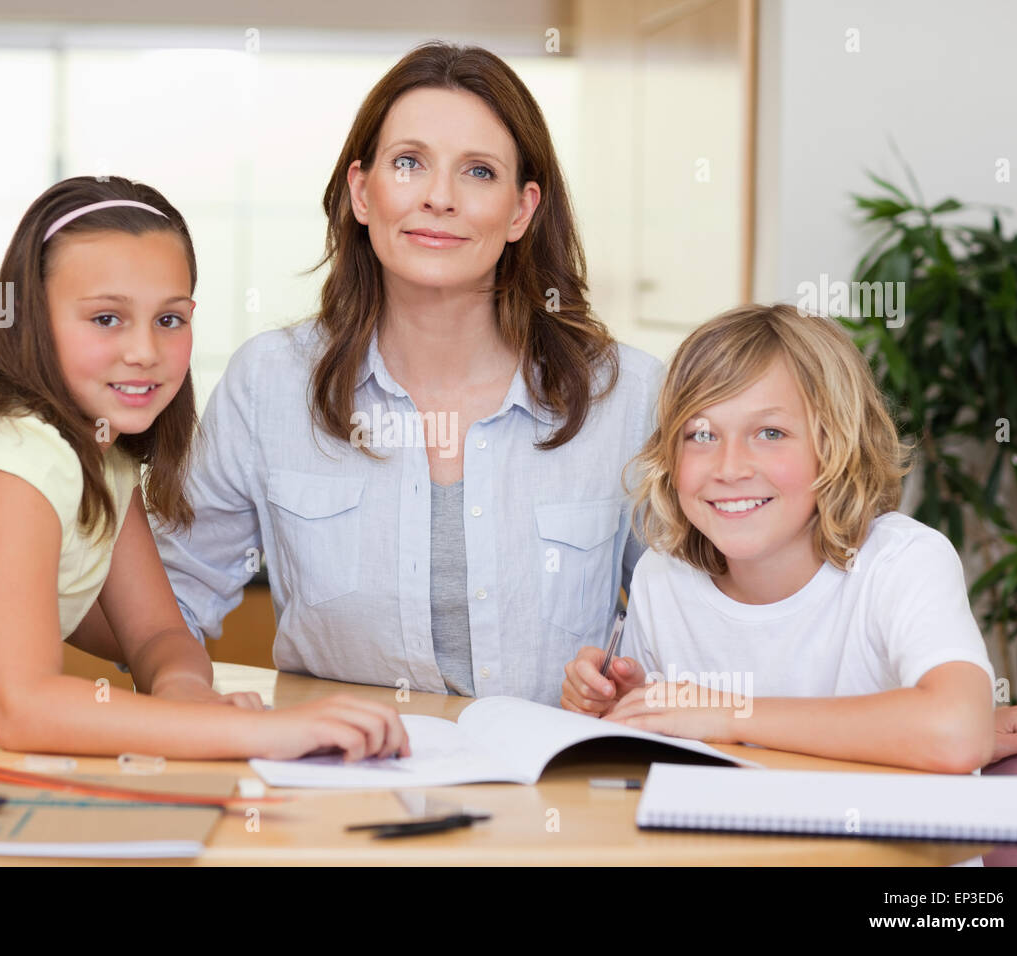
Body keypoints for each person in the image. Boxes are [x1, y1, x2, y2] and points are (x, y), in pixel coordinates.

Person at [0, 176, 408, 763]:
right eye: (106, 318)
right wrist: (259, 732)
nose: (145, 351)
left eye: (170, 318)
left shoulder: (103, 452)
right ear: (34, 321)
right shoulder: (19, 459)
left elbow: (154, 629)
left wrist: (183, 690)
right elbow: (28, 708)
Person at [148, 42, 663, 705]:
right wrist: (188, 698)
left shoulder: (630, 394)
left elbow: (693, 615)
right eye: (410, 163)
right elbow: (169, 600)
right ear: (363, 192)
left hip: (552, 790)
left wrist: (629, 680)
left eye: (478, 171)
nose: (439, 198)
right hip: (333, 783)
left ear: (521, 210)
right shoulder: (267, 383)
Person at [560, 304, 996, 773]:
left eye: (770, 432)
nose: (729, 468)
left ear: (836, 445)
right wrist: (624, 707)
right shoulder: (663, 577)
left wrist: (725, 713)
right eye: (701, 434)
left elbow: (958, 731)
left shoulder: (902, 562)